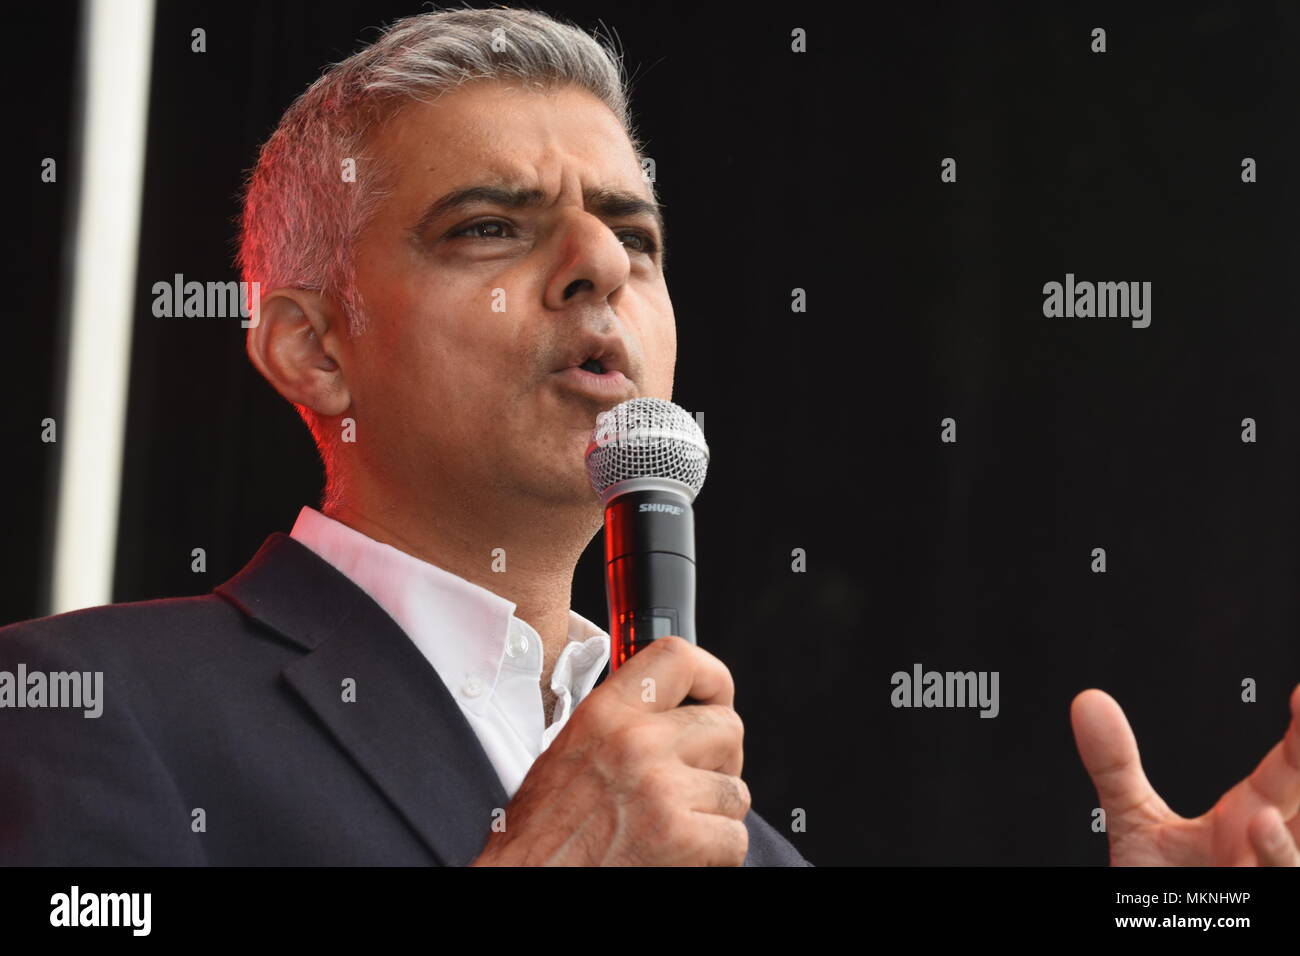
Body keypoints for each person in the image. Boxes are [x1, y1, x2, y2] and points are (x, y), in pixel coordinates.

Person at [3, 6, 1297, 868]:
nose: (597, 269)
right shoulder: (86, 717)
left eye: (636, 238)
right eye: (490, 228)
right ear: (314, 349)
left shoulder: (742, 840)